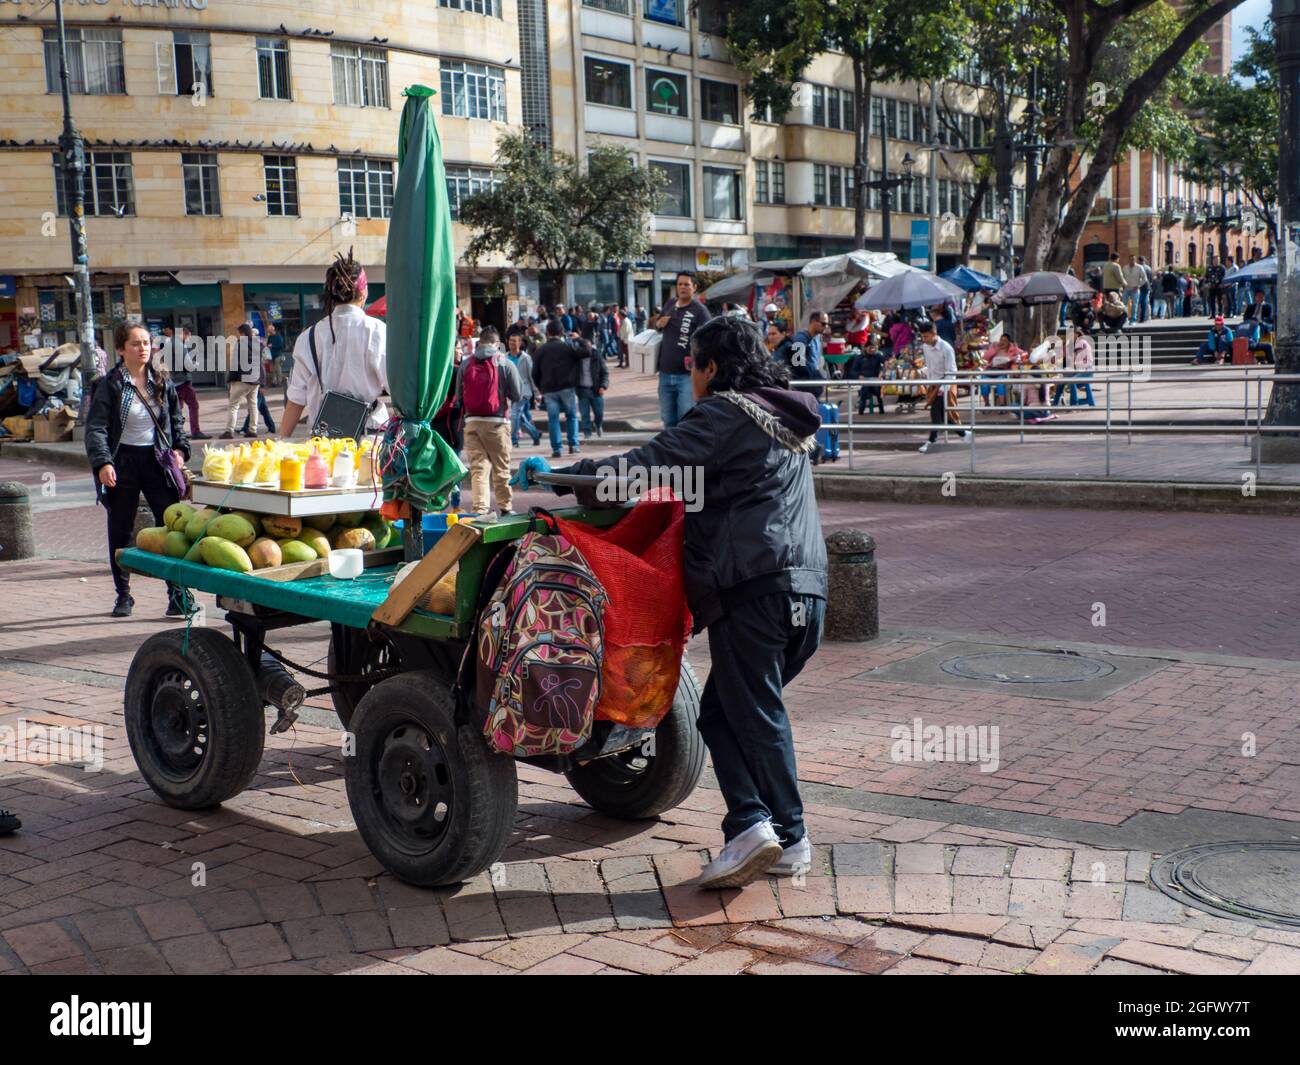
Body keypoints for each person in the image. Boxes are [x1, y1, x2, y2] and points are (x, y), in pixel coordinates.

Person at [516, 316, 827, 890]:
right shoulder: (783, 419)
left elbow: (643, 468)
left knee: (753, 713)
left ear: (711, 367)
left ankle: (775, 830)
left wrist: (563, 477)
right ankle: (768, 830)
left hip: (755, 589)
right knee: (727, 711)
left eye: (693, 364)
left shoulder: (726, 413)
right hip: (807, 590)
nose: (691, 376)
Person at [86, 322, 191, 618]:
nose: (143, 348)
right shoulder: (110, 385)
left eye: (146, 342)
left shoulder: (161, 380)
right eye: (135, 343)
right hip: (123, 462)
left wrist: (181, 450)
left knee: (172, 528)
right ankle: (124, 595)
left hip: (157, 461)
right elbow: (96, 428)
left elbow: (175, 421)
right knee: (120, 529)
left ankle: (178, 595)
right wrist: (103, 462)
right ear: (120, 350)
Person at [281, 249, 388, 439]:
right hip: (369, 442)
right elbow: (397, 392)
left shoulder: (308, 337)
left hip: (324, 444)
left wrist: (280, 443)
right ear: (363, 292)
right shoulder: (378, 331)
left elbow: (296, 400)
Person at [454, 326, 521, 518]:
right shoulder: (505, 363)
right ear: (496, 342)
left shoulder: (467, 364)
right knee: (501, 467)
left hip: (472, 422)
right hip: (497, 422)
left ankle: (480, 508)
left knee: (478, 468)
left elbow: (459, 398)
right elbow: (517, 394)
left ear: (480, 342)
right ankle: (506, 508)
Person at [653, 271, 713, 428]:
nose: (682, 287)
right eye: (680, 284)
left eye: (687, 284)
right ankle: (670, 452)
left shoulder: (700, 311)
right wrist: (659, 324)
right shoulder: (670, 304)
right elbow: (657, 325)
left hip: (687, 376)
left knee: (686, 420)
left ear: (694, 287)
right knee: (668, 420)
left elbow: (708, 340)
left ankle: (686, 451)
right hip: (665, 373)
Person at [532, 317, 582, 457]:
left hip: (548, 389)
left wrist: (541, 387)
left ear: (547, 332)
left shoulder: (541, 350)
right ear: (562, 332)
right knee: (571, 416)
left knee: (553, 419)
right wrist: (578, 339)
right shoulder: (567, 346)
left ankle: (557, 448)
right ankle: (573, 444)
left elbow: (534, 372)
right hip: (567, 386)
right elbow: (586, 352)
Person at [917, 320, 968, 453]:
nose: (924, 339)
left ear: (934, 333)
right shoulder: (925, 347)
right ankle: (963, 434)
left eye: (926, 336)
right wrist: (922, 372)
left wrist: (942, 389)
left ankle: (931, 441)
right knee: (942, 415)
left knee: (935, 414)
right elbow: (929, 365)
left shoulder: (946, 348)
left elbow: (952, 371)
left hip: (946, 384)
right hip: (933, 384)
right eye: (922, 336)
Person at [167, 326, 206, 440]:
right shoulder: (179, 344)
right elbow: (186, 363)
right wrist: (194, 365)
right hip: (182, 380)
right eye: (188, 336)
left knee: (177, 408)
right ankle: (196, 431)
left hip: (174, 380)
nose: (188, 339)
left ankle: (176, 432)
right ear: (184, 333)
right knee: (193, 405)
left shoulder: (170, 343)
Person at [505, 332, 542, 447]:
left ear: (519, 343)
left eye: (514, 341)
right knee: (519, 416)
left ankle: (514, 440)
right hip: (510, 391)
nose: (512, 343)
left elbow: (531, 375)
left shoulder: (526, 358)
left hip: (524, 391)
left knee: (514, 414)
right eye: (510, 340)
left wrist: (537, 393)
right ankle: (535, 434)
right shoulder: (504, 357)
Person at [240, 327, 277, 436]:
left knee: (254, 406)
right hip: (255, 381)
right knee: (262, 407)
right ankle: (271, 427)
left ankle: (246, 427)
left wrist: (263, 385)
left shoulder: (258, 348)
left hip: (258, 383)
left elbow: (262, 368)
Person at [575, 333, 609, 439]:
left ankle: (598, 425)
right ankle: (587, 433)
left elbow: (605, 372)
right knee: (584, 414)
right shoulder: (576, 358)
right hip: (582, 390)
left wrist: (603, 386)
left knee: (599, 412)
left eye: (589, 347)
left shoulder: (597, 356)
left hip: (596, 389)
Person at [1053, 331, 1095, 407]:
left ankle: (1074, 405)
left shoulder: (1082, 343)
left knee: (1072, 381)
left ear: (1078, 334)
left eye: (1073, 334)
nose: (1070, 336)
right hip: (1076, 370)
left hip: (1086, 370)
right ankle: (1054, 404)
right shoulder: (1069, 345)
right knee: (1060, 382)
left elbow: (1082, 361)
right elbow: (1064, 358)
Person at [848, 337, 885, 415]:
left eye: (874, 348)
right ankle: (861, 410)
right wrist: (859, 375)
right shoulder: (859, 358)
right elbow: (853, 370)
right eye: (870, 348)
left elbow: (886, 362)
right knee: (864, 390)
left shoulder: (878, 356)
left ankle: (881, 409)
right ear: (865, 348)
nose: (872, 350)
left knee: (878, 391)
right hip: (864, 380)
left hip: (876, 380)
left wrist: (882, 372)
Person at [790, 310, 827, 374]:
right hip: (804, 381)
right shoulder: (800, 339)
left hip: (814, 380)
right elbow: (797, 365)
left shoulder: (817, 337)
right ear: (813, 322)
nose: (826, 326)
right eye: (823, 324)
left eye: (827, 324)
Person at [1122, 255, 1145, 321]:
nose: (1132, 261)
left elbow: (1144, 279)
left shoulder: (1139, 267)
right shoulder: (1125, 267)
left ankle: (1133, 319)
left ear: (1135, 260)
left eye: (1133, 259)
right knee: (1124, 304)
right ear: (1128, 260)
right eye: (1130, 259)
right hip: (1126, 288)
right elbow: (1122, 277)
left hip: (1135, 288)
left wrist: (1138, 286)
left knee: (1134, 304)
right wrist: (1123, 285)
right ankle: (1125, 319)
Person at [617, 304, 634, 368]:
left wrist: (622, 338)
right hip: (624, 338)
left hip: (625, 339)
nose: (618, 316)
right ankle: (621, 363)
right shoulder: (625, 320)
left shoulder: (626, 321)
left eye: (619, 315)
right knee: (622, 352)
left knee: (626, 352)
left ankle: (627, 364)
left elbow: (625, 331)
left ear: (621, 315)